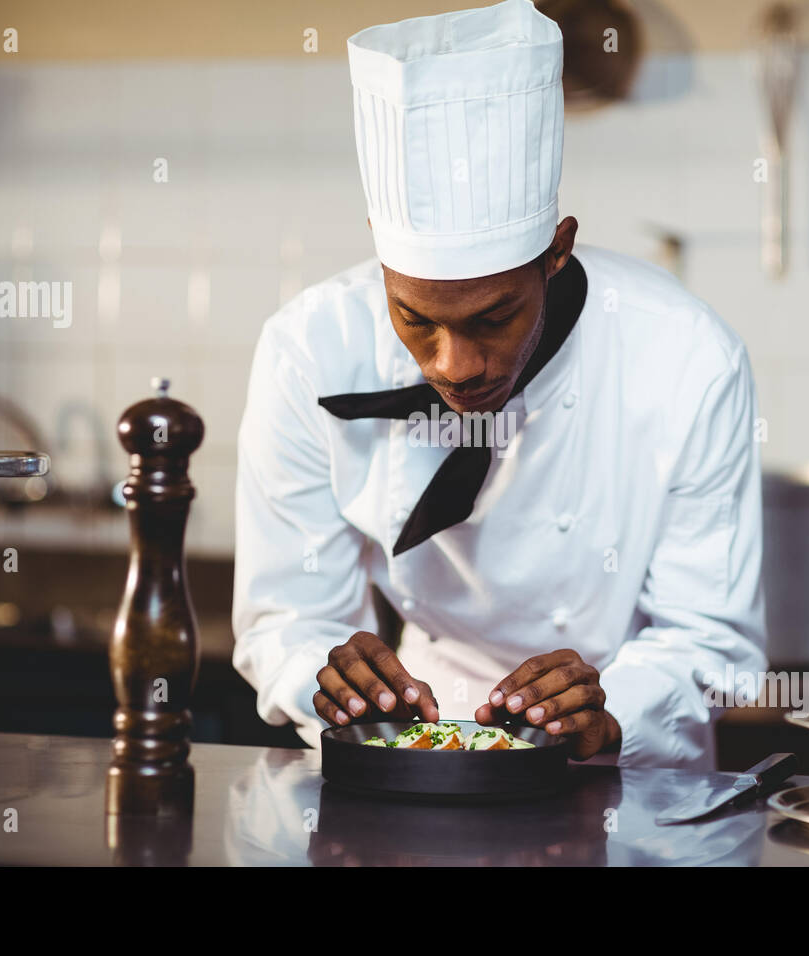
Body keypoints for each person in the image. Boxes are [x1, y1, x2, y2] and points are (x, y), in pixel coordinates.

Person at [232, 0, 766, 767]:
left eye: (491, 319)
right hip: (412, 752)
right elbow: (284, 615)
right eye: (415, 318)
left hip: (630, 774)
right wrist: (325, 674)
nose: (453, 364)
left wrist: (611, 709)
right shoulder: (307, 348)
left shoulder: (686, 355)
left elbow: (715, 641)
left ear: (556, 250)